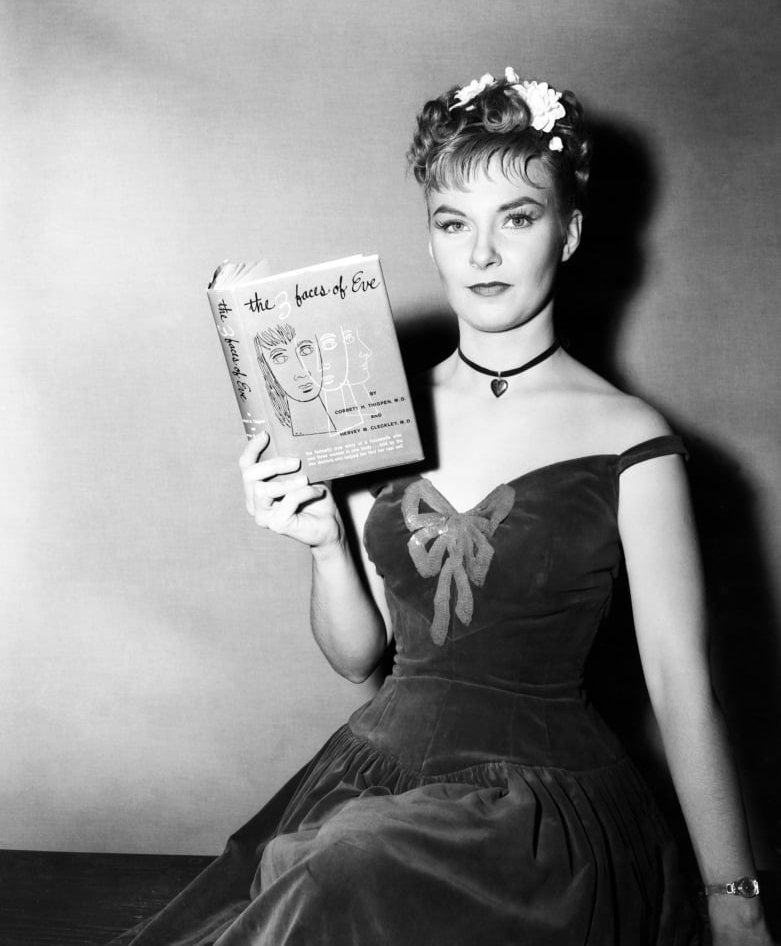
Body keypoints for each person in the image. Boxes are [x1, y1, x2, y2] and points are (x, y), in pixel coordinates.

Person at [109, 68, 773, 945]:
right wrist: (322, 547)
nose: (483, 255)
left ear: (568, 233)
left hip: (535, 809)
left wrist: (736, 901)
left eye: (519, 219)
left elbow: (680, 685)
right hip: (373, 773)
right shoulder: (376, 405)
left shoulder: (629, 438)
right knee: (329, 867)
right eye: (454, 224)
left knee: (342, 872)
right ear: (430, 239)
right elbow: (358, 658)